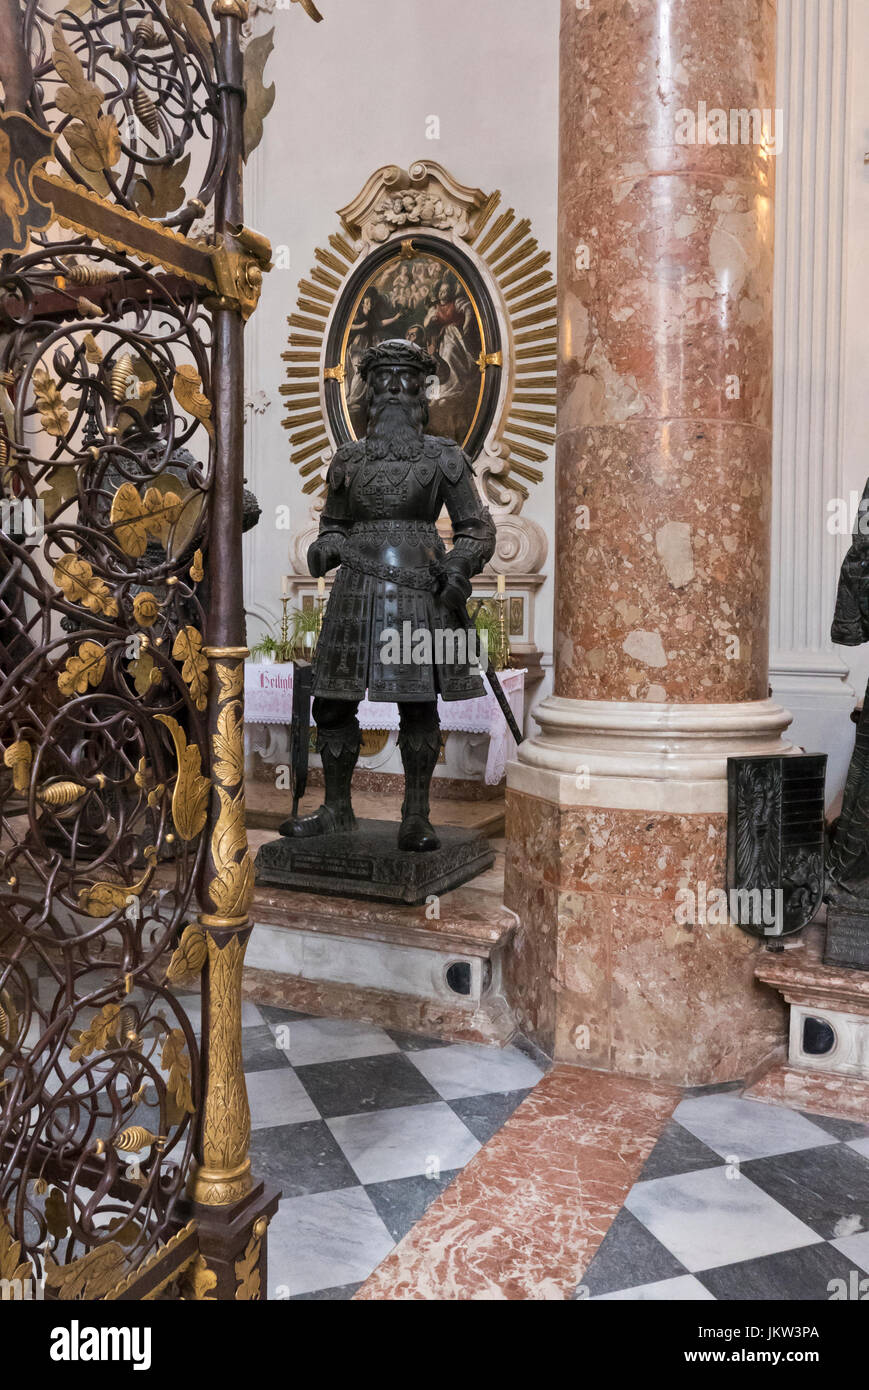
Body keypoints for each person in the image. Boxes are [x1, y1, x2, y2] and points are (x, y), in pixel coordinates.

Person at [285, 339, 495, 852]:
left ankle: (416, 815)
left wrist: (460, 567)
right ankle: (336, 809)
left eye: (405, 379)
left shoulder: (444, 456)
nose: (396, 388)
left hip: (419, 594)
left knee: (417, 704)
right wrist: (324, 548)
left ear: (422, 389)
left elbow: (477, 529)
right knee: (332, 704)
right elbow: (333, 526)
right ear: (370, 390)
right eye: (385, 379)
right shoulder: (349, 459)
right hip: (354, 593)